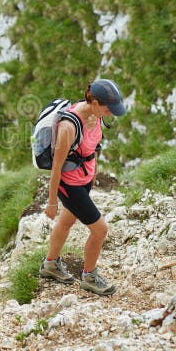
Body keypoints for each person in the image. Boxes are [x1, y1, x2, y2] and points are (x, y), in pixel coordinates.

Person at [39, 79, 126, 296]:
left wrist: (93, 174)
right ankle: (89, 277)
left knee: (67, 221)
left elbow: (93, 146)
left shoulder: (94, 116)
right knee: (100, 230)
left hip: (85, 179)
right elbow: (57, 167)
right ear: (94, 102)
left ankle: (50, 265)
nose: (109, 113)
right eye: (107, 108)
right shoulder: (69, 127)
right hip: (70, 185)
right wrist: (51, 202)